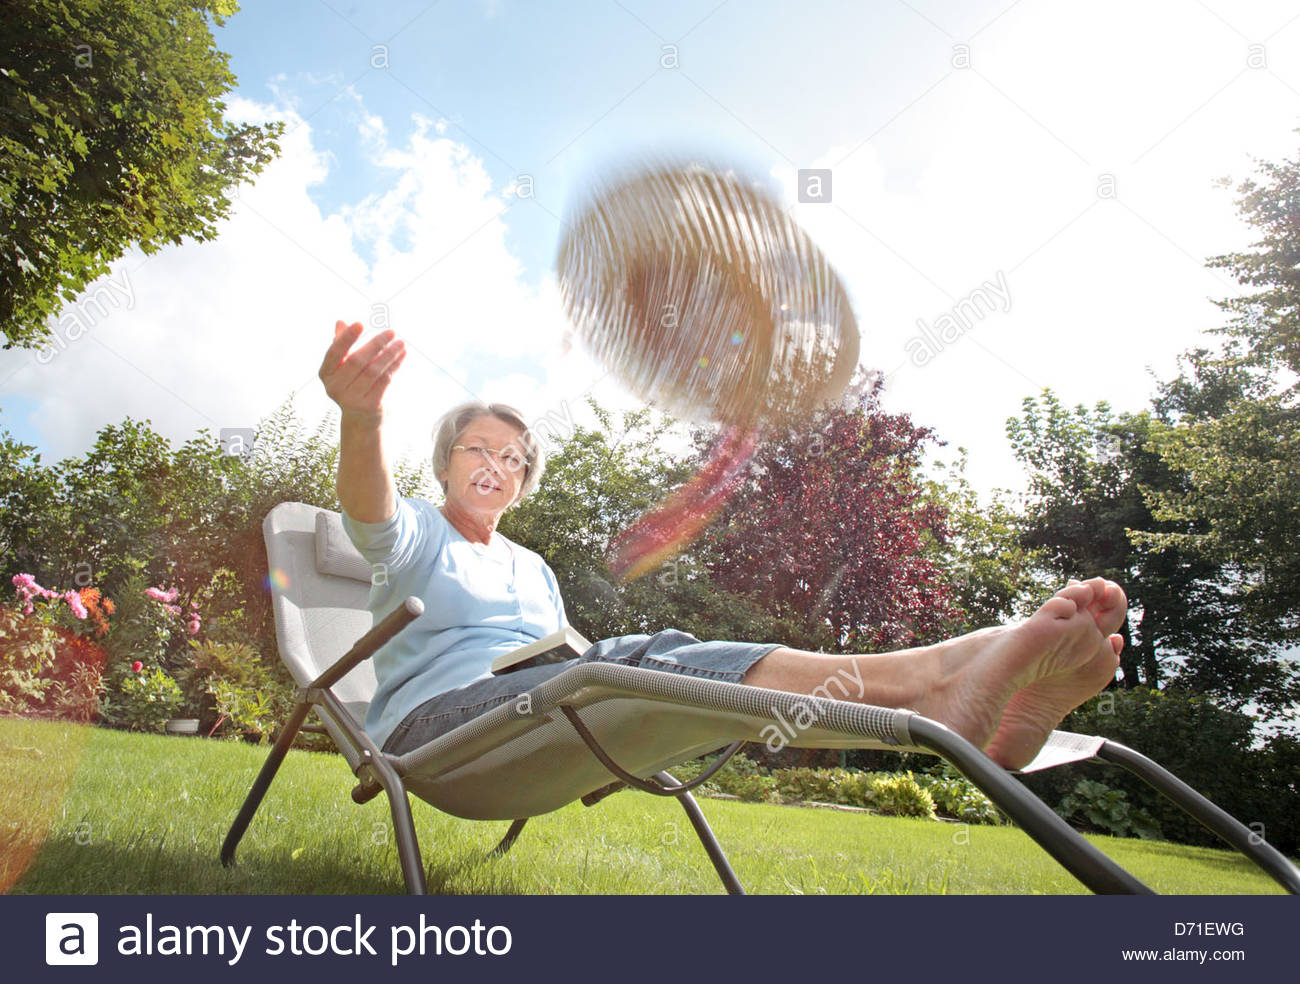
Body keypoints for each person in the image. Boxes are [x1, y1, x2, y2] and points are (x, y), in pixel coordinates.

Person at [320, 320, 1127, 770]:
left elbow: (556, 653)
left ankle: (945, 706)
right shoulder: (418, 531)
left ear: (524, 480)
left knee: (658, 677)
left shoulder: (532, 568)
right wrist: (364, 419)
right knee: (636, 663)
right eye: (476, 450)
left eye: (511, 457)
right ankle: (941, 676)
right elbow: (370, 511)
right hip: (435, 728)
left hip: (540, 712)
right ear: (445, 463)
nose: (494, 464)